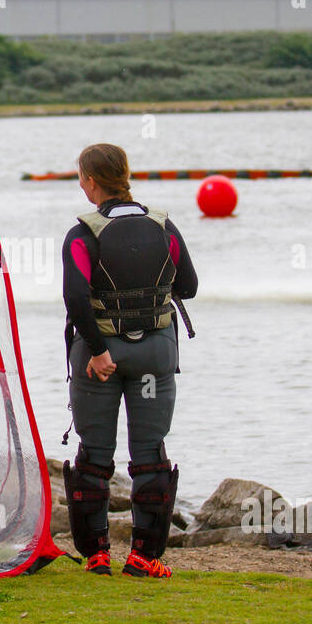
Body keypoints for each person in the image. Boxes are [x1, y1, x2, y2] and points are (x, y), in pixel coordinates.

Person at [61, 143, 198, 578]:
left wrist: (100, 351)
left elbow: (76, 297)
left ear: (91, 182)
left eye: (81, 176)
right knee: (150, 454)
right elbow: (189, 286)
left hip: (99, 357)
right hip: (156, 353)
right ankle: (144, 556)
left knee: (95, 455)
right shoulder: (163, 226)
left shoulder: (83, 233)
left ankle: (97, 555)